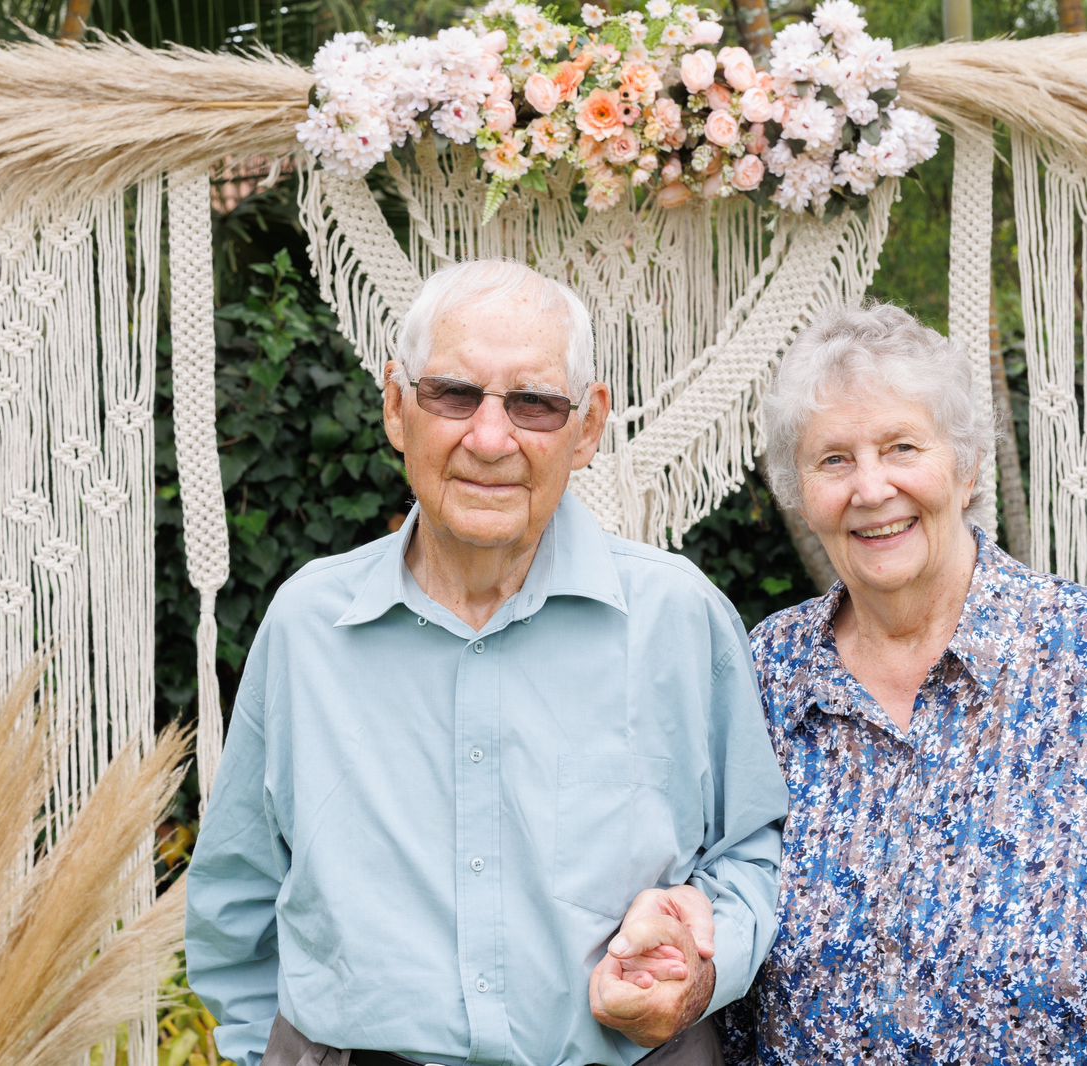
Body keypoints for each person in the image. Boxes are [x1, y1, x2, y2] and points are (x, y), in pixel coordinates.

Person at [185, 258, 789, 1066]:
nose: (491, 438)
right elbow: (238, 896)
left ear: (588, 426)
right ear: (397, 407)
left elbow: (750, 854)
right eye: (454, 395)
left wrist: (697, 973)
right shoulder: (307, 626)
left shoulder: (677, 619)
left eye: (535, 403)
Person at [713, 303, 1087, 1063]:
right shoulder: (766, 676)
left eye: (902, 446)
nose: (871, 488)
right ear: (799, 490)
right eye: (833, 460)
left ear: (966, 466)